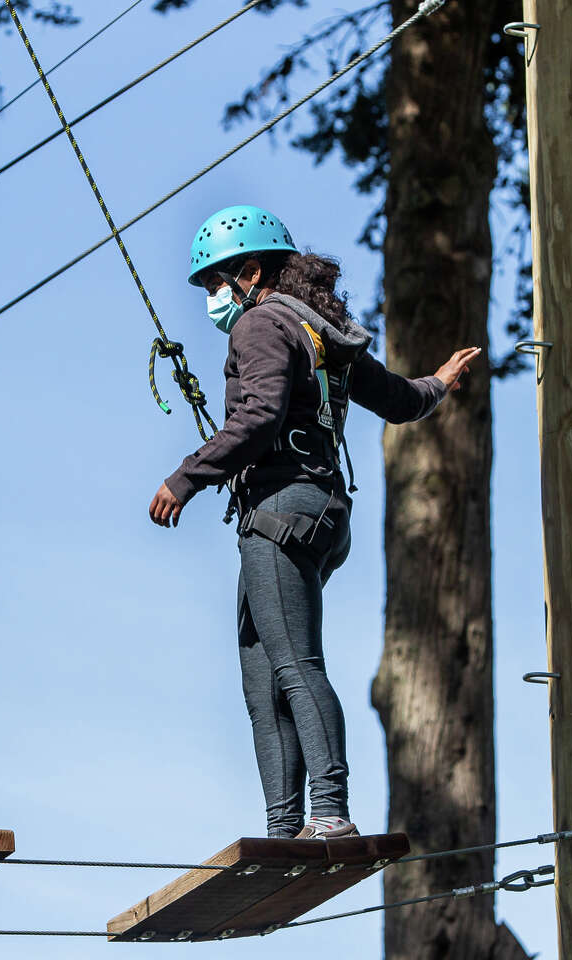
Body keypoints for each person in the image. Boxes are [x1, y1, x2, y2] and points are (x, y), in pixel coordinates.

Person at [148, 205, 480, 840]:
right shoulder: (320, 330)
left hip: (280, 513)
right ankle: (286, 828)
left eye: (218, 281)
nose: (214, 297)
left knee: (295, 666)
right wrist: (437, 384)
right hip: (320, 514)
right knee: (263, 675)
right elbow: (400, 400)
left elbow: (260, 416)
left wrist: (185, 478)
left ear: (252, 272)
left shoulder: (259, 324)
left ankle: (328, 814)